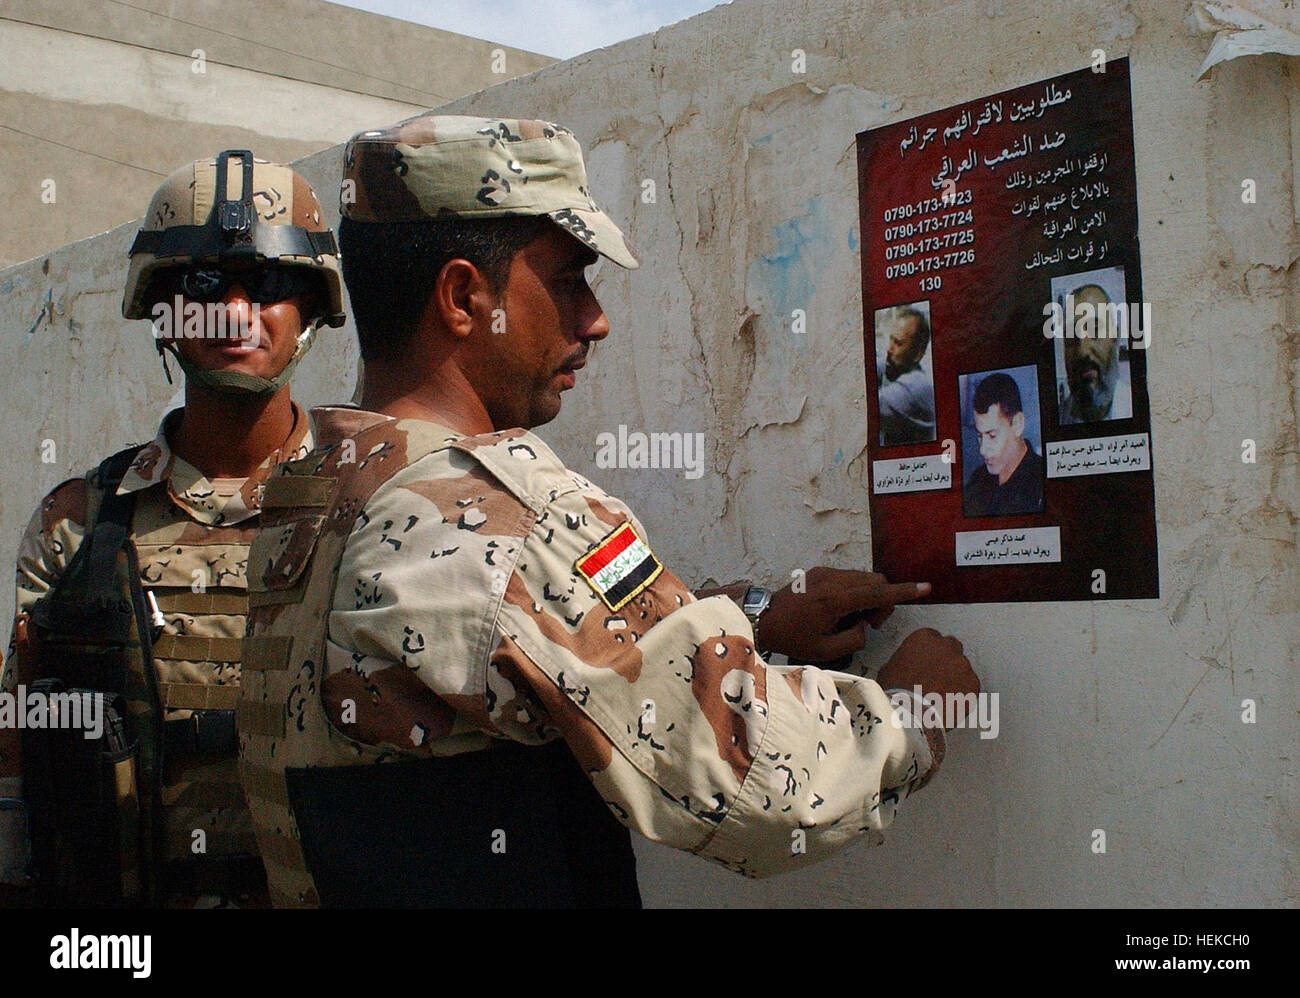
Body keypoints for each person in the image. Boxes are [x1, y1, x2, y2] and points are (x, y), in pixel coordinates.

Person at [237, 115, 979, 907]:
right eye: (566, 280)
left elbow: (515, 656)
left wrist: (753, 617)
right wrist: (908, 710)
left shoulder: (315, 486)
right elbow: (760, 785)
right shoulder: (498, 512)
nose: (595, 318)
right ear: (462, 296)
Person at [0, 150, 344, 907]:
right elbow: (22, 744)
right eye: (201, 284)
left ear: (314, 310)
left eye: (273, 283)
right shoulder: (80, 524)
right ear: (162, 311)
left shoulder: (367, 499)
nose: (235, 308)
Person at [963, 371, 1045, 517]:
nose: (982, 450)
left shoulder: (1042, 482)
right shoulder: (977, 480)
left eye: (992, 435)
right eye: (979, 436)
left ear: (1017, 424)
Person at [1059, 284, 1133, 424]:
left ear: (1115, 338)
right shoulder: (1059, 418)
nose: (1082, 350)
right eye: (1071, 337)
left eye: (1095, 330)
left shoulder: (1136, 406)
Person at [876, 306, 936, 445]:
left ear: (917, 354)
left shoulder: (916, 386)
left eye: (898, 343)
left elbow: (861, 408)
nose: (889, 349)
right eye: (891, 339)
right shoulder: (896, 364)